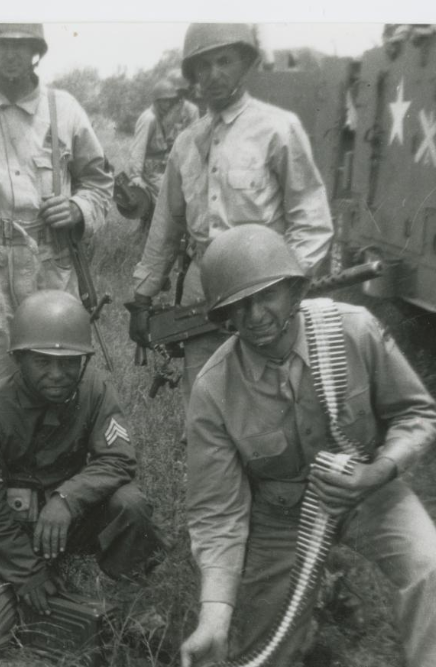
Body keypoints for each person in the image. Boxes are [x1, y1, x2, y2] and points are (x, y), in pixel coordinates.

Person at [179, 226, 436, 667]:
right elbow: (217, 513)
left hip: (370, 491)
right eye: (238, 306)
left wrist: (379, 471)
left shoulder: (352, 331)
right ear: (224, 317)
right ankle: (312, 608)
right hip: (282, 515)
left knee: (433, 572)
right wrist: (215, 612)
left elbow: (417, 415)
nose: (255, 316)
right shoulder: (214, 389)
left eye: (266, 295)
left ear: (294, 289)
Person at [127, 23, 333, 404]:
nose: (214, 74)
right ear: (193, 76)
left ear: (245, 64)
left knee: (270, 399)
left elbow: (312, 222)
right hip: (201, 293)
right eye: (203, 66)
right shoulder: (186, 144)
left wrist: (286, 288)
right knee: (203, 399)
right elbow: (166, 228)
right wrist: (142, 297)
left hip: (264, 289)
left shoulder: (278, 129)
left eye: (225, 61)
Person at [0, 290, 167, 649]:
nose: (57, 374)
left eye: (69, 362)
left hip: (67, 523)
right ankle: (21, 586)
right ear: (19, 358)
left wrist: (67, 499)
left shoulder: (94, 389)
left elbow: (118, 459)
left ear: (83, 361)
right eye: (42, 362)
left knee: (130, 504)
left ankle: (134, 600)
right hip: (8, 530)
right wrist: (28, 572)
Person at [0, 23, 113, 396]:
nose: (11, 53)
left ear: (36, 50)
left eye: (21, 44)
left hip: (51, 266)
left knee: (56, 381)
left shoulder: (65, 110)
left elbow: (99, 183)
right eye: (0, 44)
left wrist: (78, 208)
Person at [125, 75, 199, 224]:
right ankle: (152, 230)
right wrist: (136, 176)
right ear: (156, 101)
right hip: (149, 170)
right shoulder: (149, 118)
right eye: (164, 100)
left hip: (159, 167)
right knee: (166, 200)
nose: (168, 104)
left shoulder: (163, 116)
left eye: (169, 100)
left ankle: (148, 228)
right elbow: (138, 149)